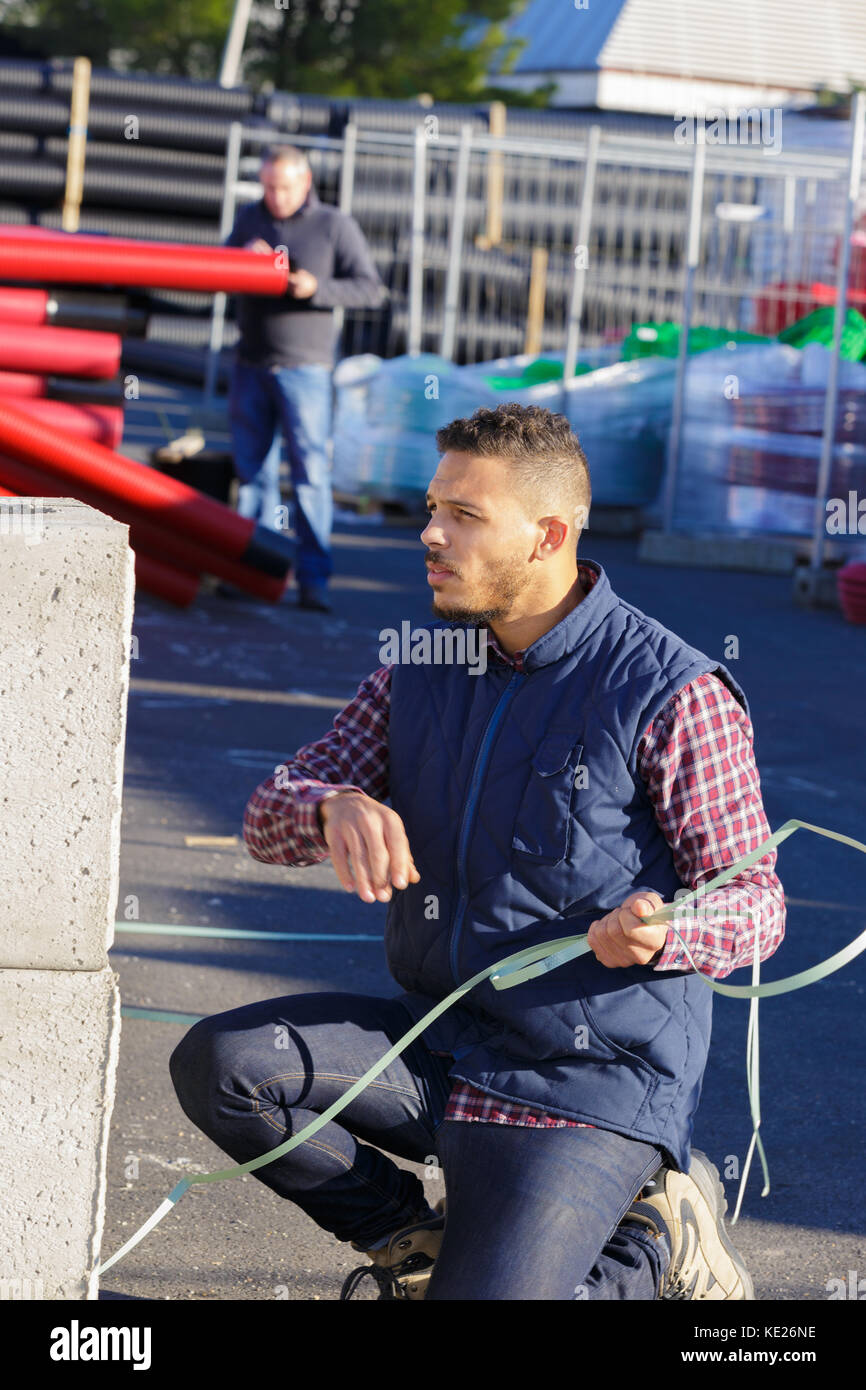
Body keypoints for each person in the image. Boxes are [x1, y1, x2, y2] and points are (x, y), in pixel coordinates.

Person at [169, 403, 786, 1301]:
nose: (430, 534)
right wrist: (330, 805)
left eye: (464, 516)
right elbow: (268, 812)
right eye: (433, 507)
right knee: (222, 1064)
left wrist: (668, 933)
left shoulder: (672, 689)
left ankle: (654, 1246)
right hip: (446, 1039)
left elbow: (760, 904)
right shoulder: (422, 663)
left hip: (589, 1081)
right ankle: (409, 1242)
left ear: (546, 536)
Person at [223, 144, 387, 612]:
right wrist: (242, 258)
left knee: (310, 474)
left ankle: (313, 580)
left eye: (285, 188)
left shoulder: (335, 225)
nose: (275, 197)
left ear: (306, 182)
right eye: (268, 187)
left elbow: (371, 289)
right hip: (252, 364)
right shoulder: (250, 217)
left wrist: (317, 289)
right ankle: (255, 571)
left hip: (306, 370)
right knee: (253, 476)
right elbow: (218, 266)